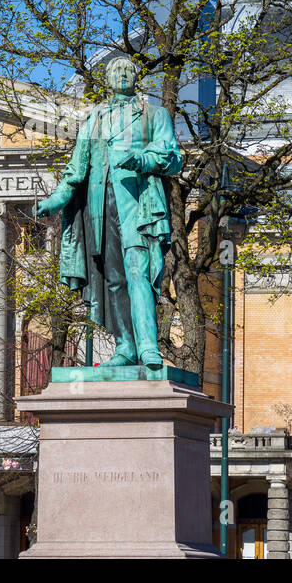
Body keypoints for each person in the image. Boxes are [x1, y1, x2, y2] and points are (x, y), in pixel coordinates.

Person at [35, 57, 183, 368]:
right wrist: (54, 201)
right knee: (114, 280)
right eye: (116, 71)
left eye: (128, 70)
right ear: (108, 79)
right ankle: (125, 346)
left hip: (140, 206)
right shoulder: (94, 119)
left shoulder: (153, 114)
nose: (122, 75)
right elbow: (75, 171)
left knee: (137, 273)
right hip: (101, 209)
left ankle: (148, 348)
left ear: (136, 77)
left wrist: (142, 159)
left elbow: (173, 157)